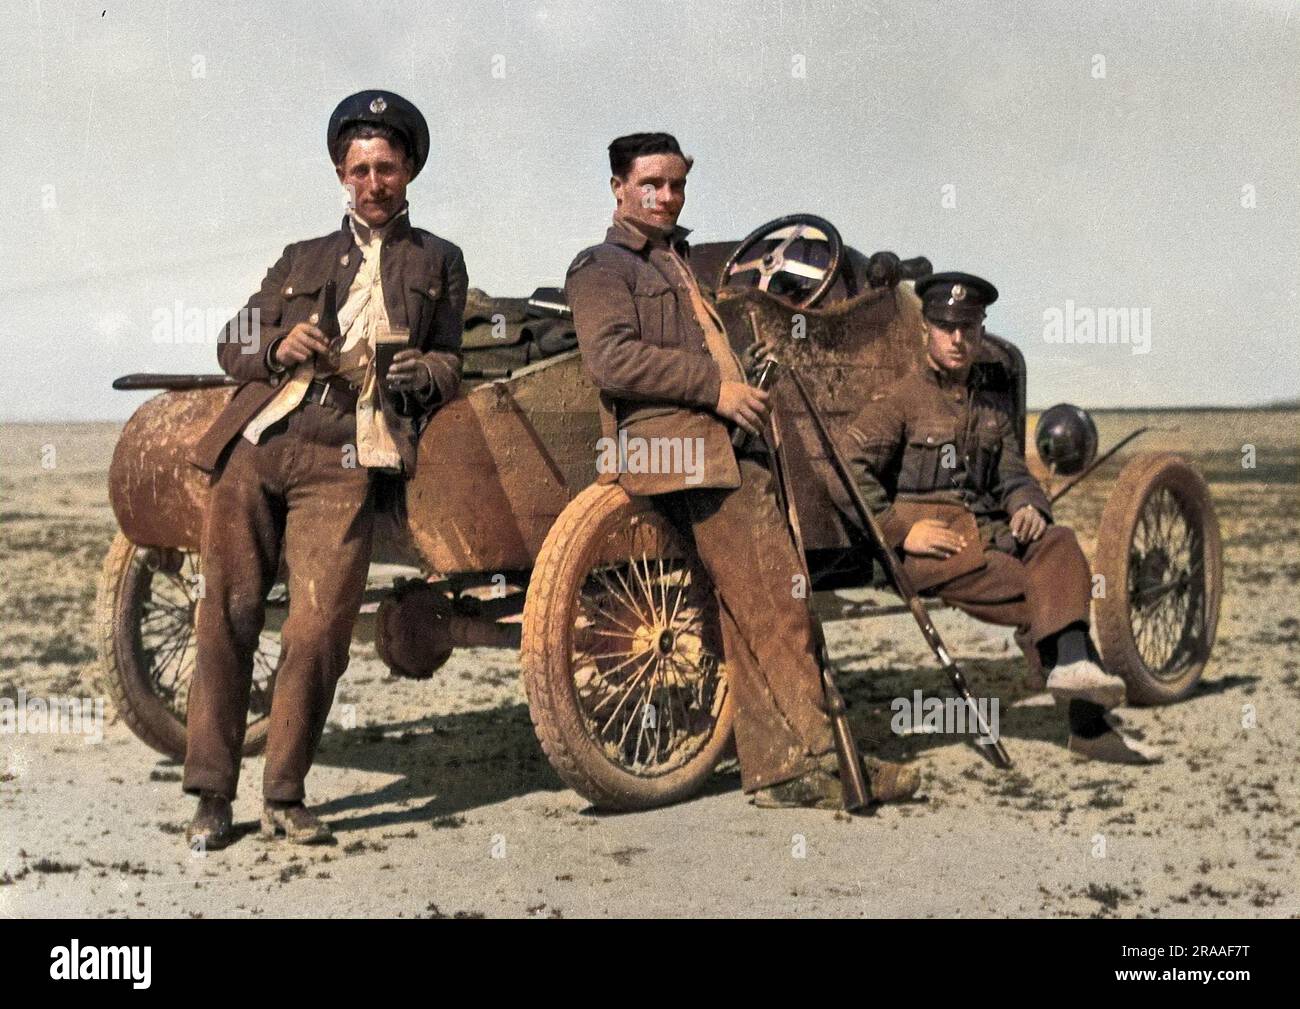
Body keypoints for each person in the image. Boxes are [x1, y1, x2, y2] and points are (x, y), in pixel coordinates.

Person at [565, 132, 921, 809]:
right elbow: (610, 361)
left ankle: (783, 768)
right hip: (687, 453)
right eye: (652, 185)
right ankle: (820, 762)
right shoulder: (603, 267)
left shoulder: (677, 263)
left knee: (753, 609)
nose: (667, 197)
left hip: (715, 448)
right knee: (780, 606)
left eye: (676, 185)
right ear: (619, 188)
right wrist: (718, 388)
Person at [181, 90, 468, 848]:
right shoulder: (299, 258)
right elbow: (230, 341)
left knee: (317, 628)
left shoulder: (439, 260)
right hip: (261, 444)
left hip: (350, 453)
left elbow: (452, 360)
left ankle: (283, 792)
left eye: (388, 167)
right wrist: (277, 349)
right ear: (342, 175)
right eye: (359, 168)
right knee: (228, 611)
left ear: (409, 170)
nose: (374, 182)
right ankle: (211, 794)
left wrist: (422, 375)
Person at [844, 271, 1159, 763]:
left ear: (981, 329)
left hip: (987, 534)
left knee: (1057, 542)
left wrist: (1026, 505)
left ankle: (1073, 670)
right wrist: (901, 531)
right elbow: (846, 464)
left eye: (969, 328)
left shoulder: (989, 405)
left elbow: (1012, 470)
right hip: (937, 552)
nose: (958, 339)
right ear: (925, 329)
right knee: (1045, 592)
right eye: (946, 327)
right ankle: (1089, 724)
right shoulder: (903, 399)